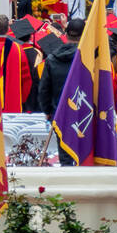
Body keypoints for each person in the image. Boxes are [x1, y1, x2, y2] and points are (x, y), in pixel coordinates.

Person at [38, 26, 79, 166]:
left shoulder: (51, 59)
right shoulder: (89, 57)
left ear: (66, 35)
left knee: (65, 158)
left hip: (60, 112)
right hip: (84, 113)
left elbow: (44, 89)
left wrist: (48, 111)